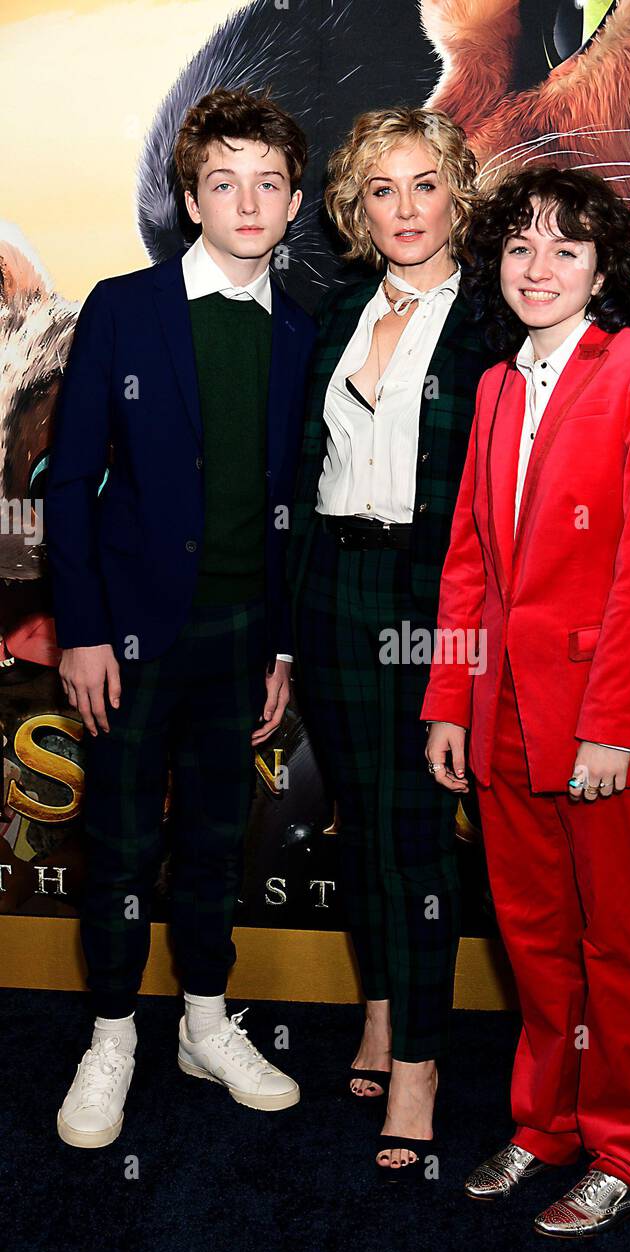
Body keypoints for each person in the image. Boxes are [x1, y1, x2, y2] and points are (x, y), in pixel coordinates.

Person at [422, 166, 630, 1234]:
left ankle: (628, 1149)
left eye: (566, 249)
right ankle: (543, 1125)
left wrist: (608, 729)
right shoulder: (494, 386)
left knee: (619, 946)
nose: (538, 268)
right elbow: (466, 562)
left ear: (602, 268)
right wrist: (450, 698)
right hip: (500, 718)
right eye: (519, 246)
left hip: (604, 727)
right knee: (532, 939)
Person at [45, 86, 315, 1148]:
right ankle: (112, 1034)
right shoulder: (123, 305)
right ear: (190, 197)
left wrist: (283, 640)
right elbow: (69, 483)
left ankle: (205, 1020)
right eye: (222, 183)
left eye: (267, 184)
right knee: (117, 847)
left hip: (243, 637)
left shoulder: (298, 331)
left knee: (213, 843)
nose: (246, 202)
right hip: (127, 637)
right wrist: (78, 630)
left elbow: (296, 489)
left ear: (293, 203)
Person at [286, 107, 498, 1176]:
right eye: (381, 190)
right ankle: (376, 1010)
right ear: (354, 209)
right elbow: (300, 476)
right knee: (358, 824)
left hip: (432, 593)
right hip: (332, 584)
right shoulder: (332, 314)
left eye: (424, 185)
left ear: (457, 193)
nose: (405, 209)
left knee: (414, 834)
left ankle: (416, 1065)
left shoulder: (495, 320)